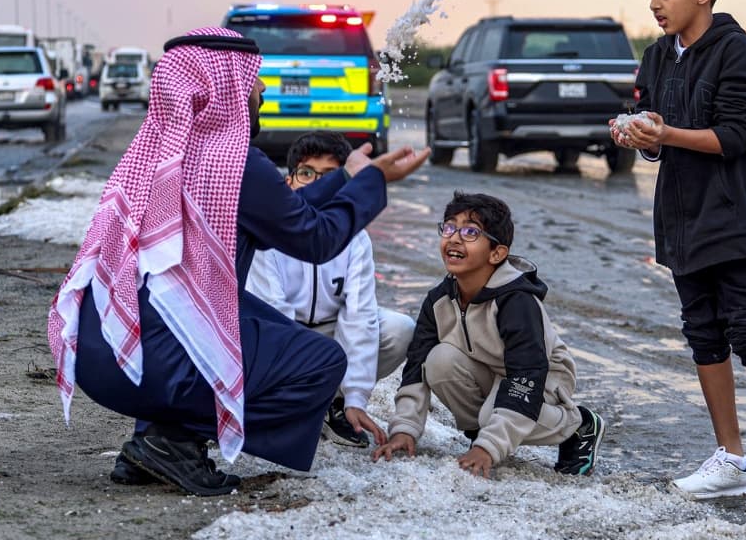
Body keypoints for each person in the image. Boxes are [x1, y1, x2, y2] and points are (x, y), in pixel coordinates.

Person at [46, 26, 429, 497]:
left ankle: (154, 438)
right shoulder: (235, 165)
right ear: (222, 87)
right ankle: (175, 440)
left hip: (102, 354)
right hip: (155, 360)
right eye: (254, 80)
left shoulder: (156, 154)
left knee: (250, 323)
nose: (263, 89)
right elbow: (314, 238)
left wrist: (347, 178)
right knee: (320, 361)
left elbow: (287, 210)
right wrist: (373, 183)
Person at [611, 0, 746, 512]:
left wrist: (664, 132)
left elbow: (737, 137)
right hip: (682, 217)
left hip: (737, 216)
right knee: (703, 334)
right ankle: (730, 459)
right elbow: (657, 141)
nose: (654, 4)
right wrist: (638, 135)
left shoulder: (741, 55)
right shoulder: (657, 56)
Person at [372, 192, 605, 478]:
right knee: (438, 360)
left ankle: (578, 424)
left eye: (471, 231)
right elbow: (415, 371)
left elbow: (526, 377)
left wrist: (489, 447)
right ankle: (484, 430)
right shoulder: (439, 300)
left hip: (542, 379)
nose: (455, 238)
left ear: (497, 253)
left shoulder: (517, 302)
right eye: (449, 227)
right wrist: (404, 431)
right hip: (490, 372)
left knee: (492, 415)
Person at [246, 131, 415, 448]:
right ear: (289, 181)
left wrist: (355, 396)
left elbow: (359, 315)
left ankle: (333, 406)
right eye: (306, 173)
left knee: (398, 328)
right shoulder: (269, 236)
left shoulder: (355, 239)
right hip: (279, 336)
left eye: (329, 176)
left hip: (328, 331)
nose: (315, 184)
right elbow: (274, 318)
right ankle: (289, 408)